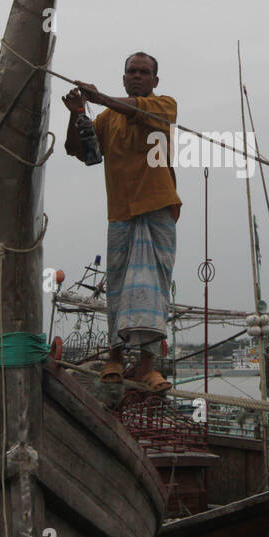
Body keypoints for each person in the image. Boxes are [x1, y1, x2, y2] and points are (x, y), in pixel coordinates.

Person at [64, 52, 180, 393]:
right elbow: (80, 151)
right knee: (117, 286)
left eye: (145, 72)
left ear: (155, 80)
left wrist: (100, 98)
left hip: (158, 207)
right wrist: (77, 115)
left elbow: (136, 109)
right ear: (123, 77)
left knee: (153, 288)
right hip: (120, 212)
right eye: (132, 71)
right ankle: (115, 358)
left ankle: (147, 365)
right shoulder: (107, 120)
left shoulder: (165, 106)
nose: (138, 76)